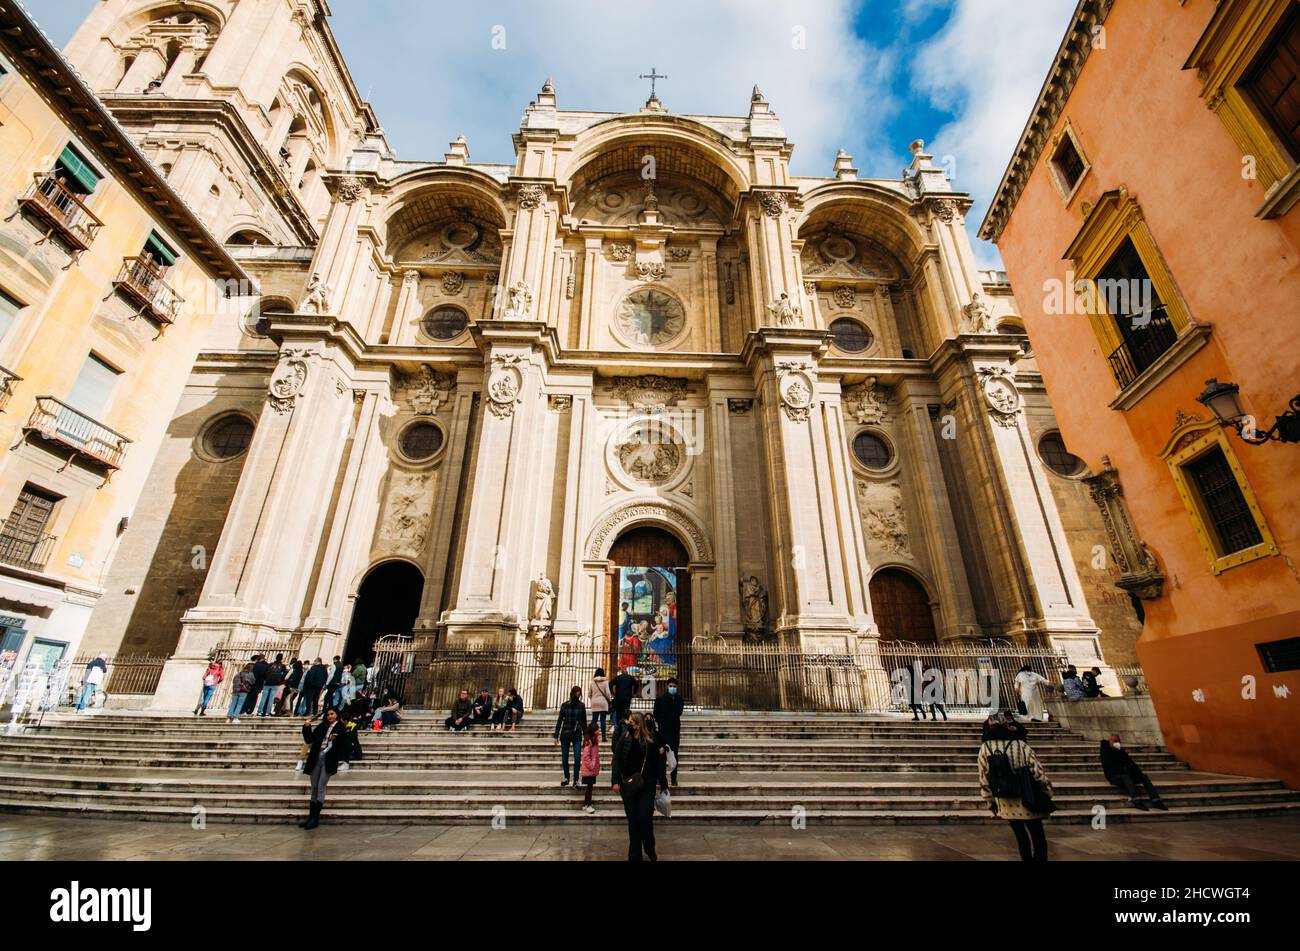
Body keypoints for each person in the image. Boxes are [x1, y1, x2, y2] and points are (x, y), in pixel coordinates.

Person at [978, 713, 1054, 861]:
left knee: (1021, 838)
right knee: (1038, 837)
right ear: (1006, 725)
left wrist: (990, 801)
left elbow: (984, 779)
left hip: (1005, 799)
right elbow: (1038, 773)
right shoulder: (1020, 744)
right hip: (1028, 795)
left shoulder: (985, 747)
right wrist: (1047, 792)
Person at [611, 711, 668, 862]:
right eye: (629, 723)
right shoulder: (625, 737)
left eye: (633, 724)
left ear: (639, 725)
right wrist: (615, 780)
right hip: (628, 785)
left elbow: (658, 762)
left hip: (647, 784)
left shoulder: (650, 739)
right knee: (633, 820)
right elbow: (616, 759)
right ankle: (634, 853)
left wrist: (663, 782)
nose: (630, 726)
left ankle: (649, 848)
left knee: (644, 818)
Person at [299, 708, 344, 830]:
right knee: (314, 787)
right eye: (328, 714)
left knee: (320, 786)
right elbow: (309, 739)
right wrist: (307, 727)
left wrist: (336, 739)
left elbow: (343, 744)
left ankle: (315, 818)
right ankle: (311, 817)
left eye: (332, 714)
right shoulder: (322, 726)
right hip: (316, 757)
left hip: (329, 759)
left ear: (337, 715)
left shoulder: (341, 727)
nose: (330, 716)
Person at [1100, 734, 1168, 811]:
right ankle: (1137, 800)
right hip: (1113, 776)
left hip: (1126, 773)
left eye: (1118, 741)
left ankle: (1156, 800)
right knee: (1125, 777)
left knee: (1143, 777)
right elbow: (1109, 766)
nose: (1117, 743)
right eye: (1115, 741)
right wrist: (1124, 770)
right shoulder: (1105, 752)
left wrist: (1137, 772)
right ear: (1110, 742)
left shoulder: (1121, 751)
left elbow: (1131, 763)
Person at [652, 677, 684, 786]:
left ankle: (673, 778)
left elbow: (679, 712)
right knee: (661, 755)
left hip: (674, 731)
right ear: (667, 686)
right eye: (670, 686)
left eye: (674, 686)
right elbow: (655, 714)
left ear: (677, 687)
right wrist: (662, 721)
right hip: (663, 731)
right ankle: (660, 777)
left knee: (675, 754)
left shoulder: (679, 699)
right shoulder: (660, 699)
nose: (672, 688)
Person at [554, 686, 587, 787]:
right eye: (576, 692)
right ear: (573, 693)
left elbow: (584, 722)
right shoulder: (565, 705)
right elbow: (560, 720)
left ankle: (576, 779)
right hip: (565, 733)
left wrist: (586, 737)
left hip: (577, 734)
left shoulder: (582, 706)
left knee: (577, 757)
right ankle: (566, 777)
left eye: (579, 692)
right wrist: (556, 735)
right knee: (565, 757)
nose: (578, 694)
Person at [579, 720, 601, 815]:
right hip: (589, 769)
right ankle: (588, 805)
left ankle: (585, 804)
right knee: (589, 788)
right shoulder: (589, 742)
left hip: (591, 769)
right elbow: (586, 756)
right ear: (593, 731)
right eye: (597, 730)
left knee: (590, 787)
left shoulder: (594, 740)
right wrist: (592, 766)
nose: (599, 731)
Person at [609, 666, 639, 733]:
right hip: (627, 697)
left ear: (621, 672)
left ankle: (619, 726)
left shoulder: (618, 678)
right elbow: (636, 684)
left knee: (618, 713)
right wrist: (634, 692)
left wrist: (612, 692)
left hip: (618, 697)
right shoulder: (630, 678)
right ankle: (626, 726)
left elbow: (610, 683)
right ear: (627, 672)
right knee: (626, 712)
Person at [588, 668, 612, 740]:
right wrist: (609, 699)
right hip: (603, 703)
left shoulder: (592, 682)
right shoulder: (605, 682)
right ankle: (603, 737)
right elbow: (608, 693)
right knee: (603, 720)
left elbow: (589, 694)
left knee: (594, 720)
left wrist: (594, 698)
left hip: (594, 702)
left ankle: (592, 735)